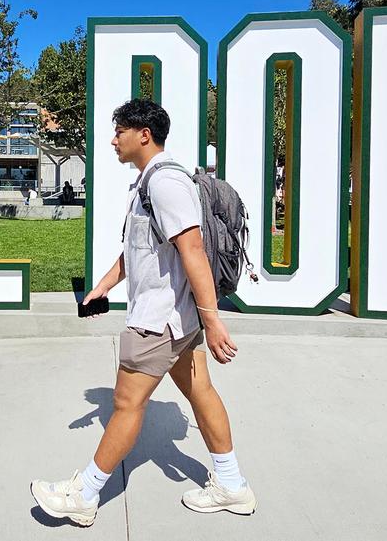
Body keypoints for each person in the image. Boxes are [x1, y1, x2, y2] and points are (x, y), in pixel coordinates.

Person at [31, 99, 256, 527]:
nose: (113, 140)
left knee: (125, 403)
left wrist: (213, 321)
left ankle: (84, 495)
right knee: (201, 391)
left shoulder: (165, 183)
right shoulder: (149, 182)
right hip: (177, 317)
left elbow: (193, 250)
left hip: (158, 321)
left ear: (144, 135)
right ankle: (232, 484)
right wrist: (103, 287)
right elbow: (139, 250)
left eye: (120, 132)